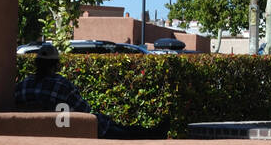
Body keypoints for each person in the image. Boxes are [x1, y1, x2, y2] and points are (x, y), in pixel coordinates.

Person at [14, 43, 163, 139]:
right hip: (69, 130)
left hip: (41, 132)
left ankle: (153, 132)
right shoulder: (61, 85)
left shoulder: (23, 85)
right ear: (56, 64)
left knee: (119, 128)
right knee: (122, 131)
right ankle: (154, 133)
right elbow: (84, 109)